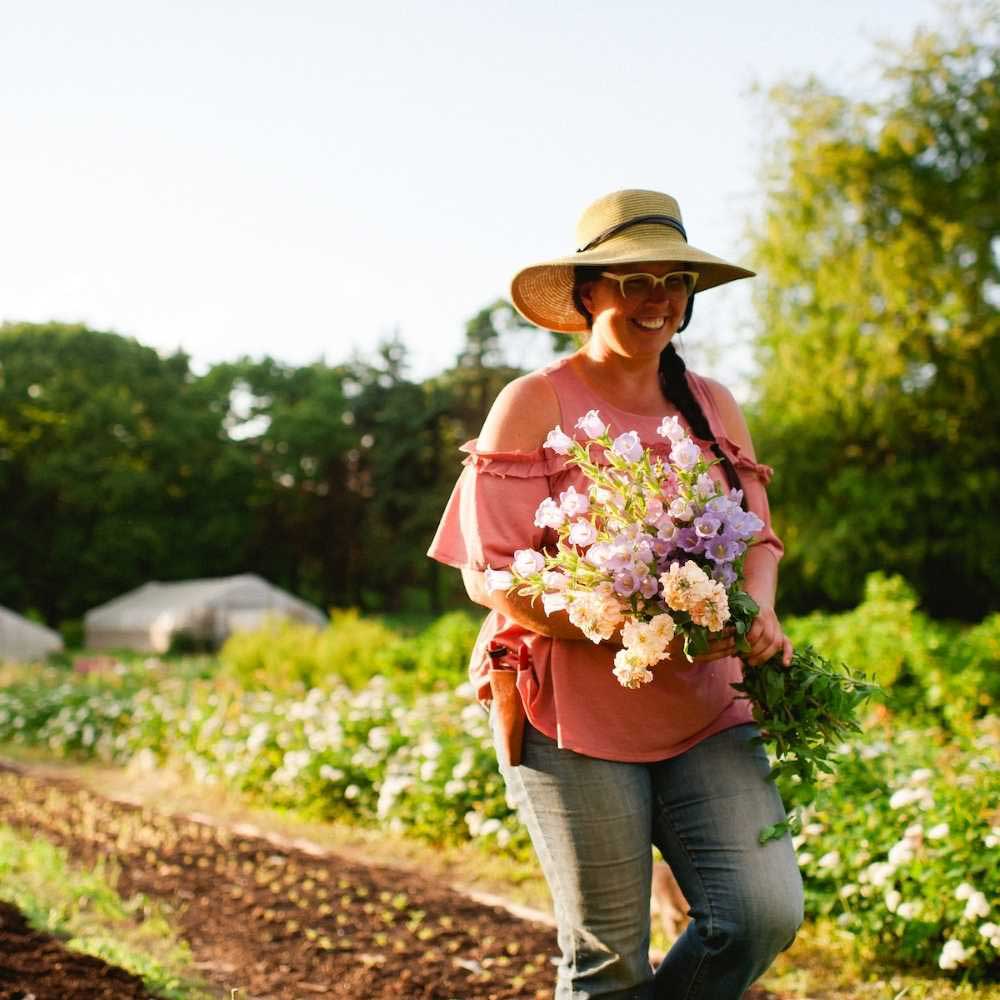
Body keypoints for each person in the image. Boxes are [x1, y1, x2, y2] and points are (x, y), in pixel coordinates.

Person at [427, 189, 804, 1000]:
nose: (658, 299)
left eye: (674, 280)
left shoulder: (713, 404)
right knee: (609, 964)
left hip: (706, 703)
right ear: (589, 291)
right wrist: (623, 620)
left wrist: (760, 609)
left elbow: (757, 540)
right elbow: (488, 571)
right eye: (634, 280)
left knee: (760, 912)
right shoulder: (535, 402)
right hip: (572, 716)